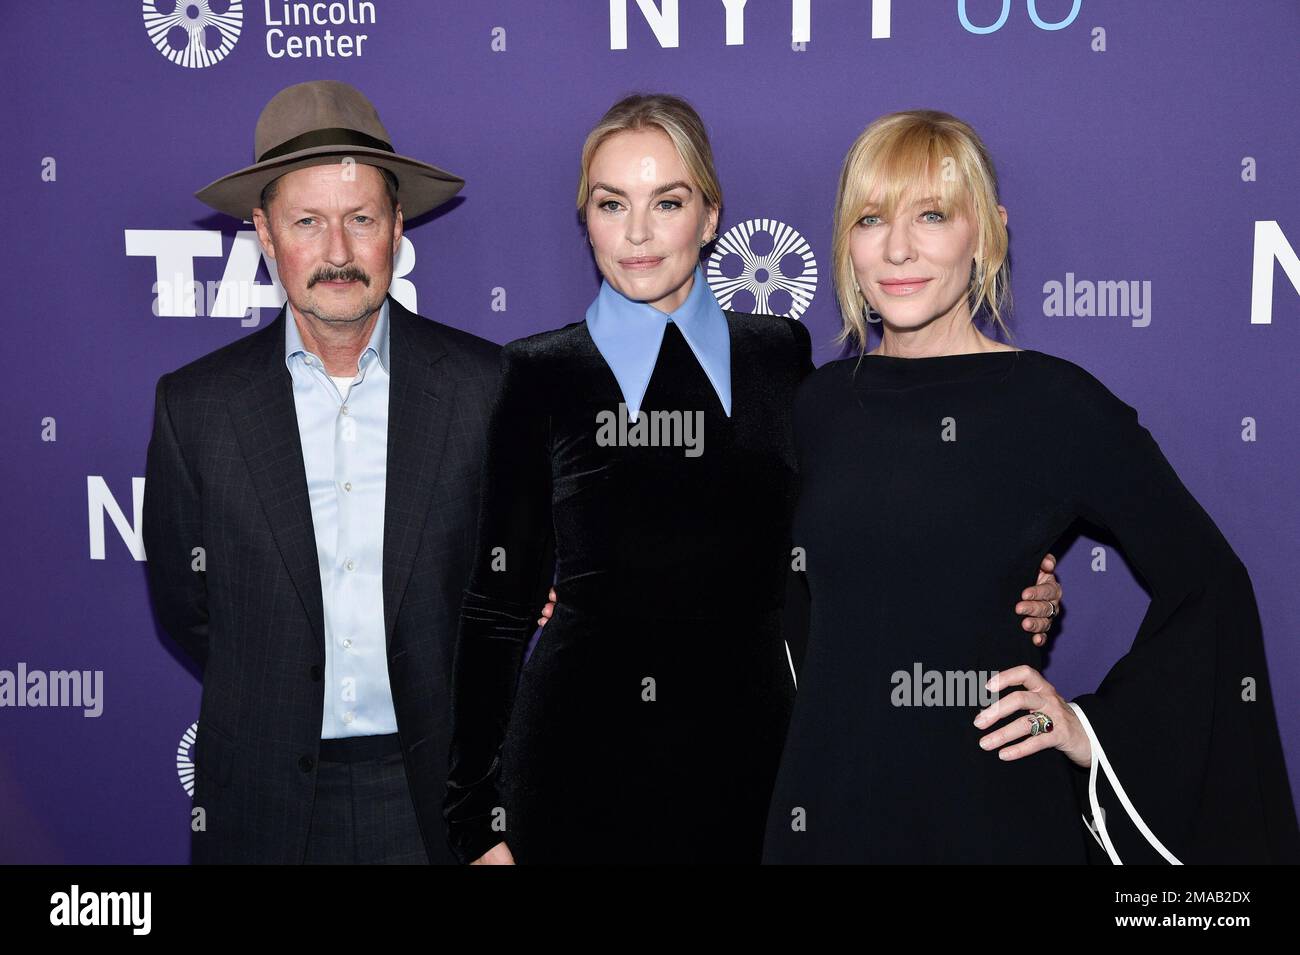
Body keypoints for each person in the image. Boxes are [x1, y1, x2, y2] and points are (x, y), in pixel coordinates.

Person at [442, 94, 1061, 865]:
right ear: (586, 217)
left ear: (709, 218)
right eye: (611, 204)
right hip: (577, 766)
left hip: (762, 767)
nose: (636, 233)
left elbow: (853, 535)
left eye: (667, 202)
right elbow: (497, 612)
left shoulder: (778, 357)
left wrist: (1008, 576)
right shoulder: (539, 374)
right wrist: (476, 825)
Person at [762, 109, 1300, 864]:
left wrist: (1095, 730)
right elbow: (775, 598)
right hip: (826, 811)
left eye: (933, 215)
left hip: (989, 814)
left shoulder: (1056, 403)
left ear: (986, 230)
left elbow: (1209, 580)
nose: (898, 248)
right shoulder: (816, 405)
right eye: (872, 218)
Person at [142, 80, 534, 863]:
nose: (338, 254)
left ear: (396, 227)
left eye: (361, 220)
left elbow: (513, 592)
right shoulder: (197, 408)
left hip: (444, 800)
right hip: (262, 805)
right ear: (263, 233)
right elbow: (191, 609)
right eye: (308, 223)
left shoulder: (488, 389)